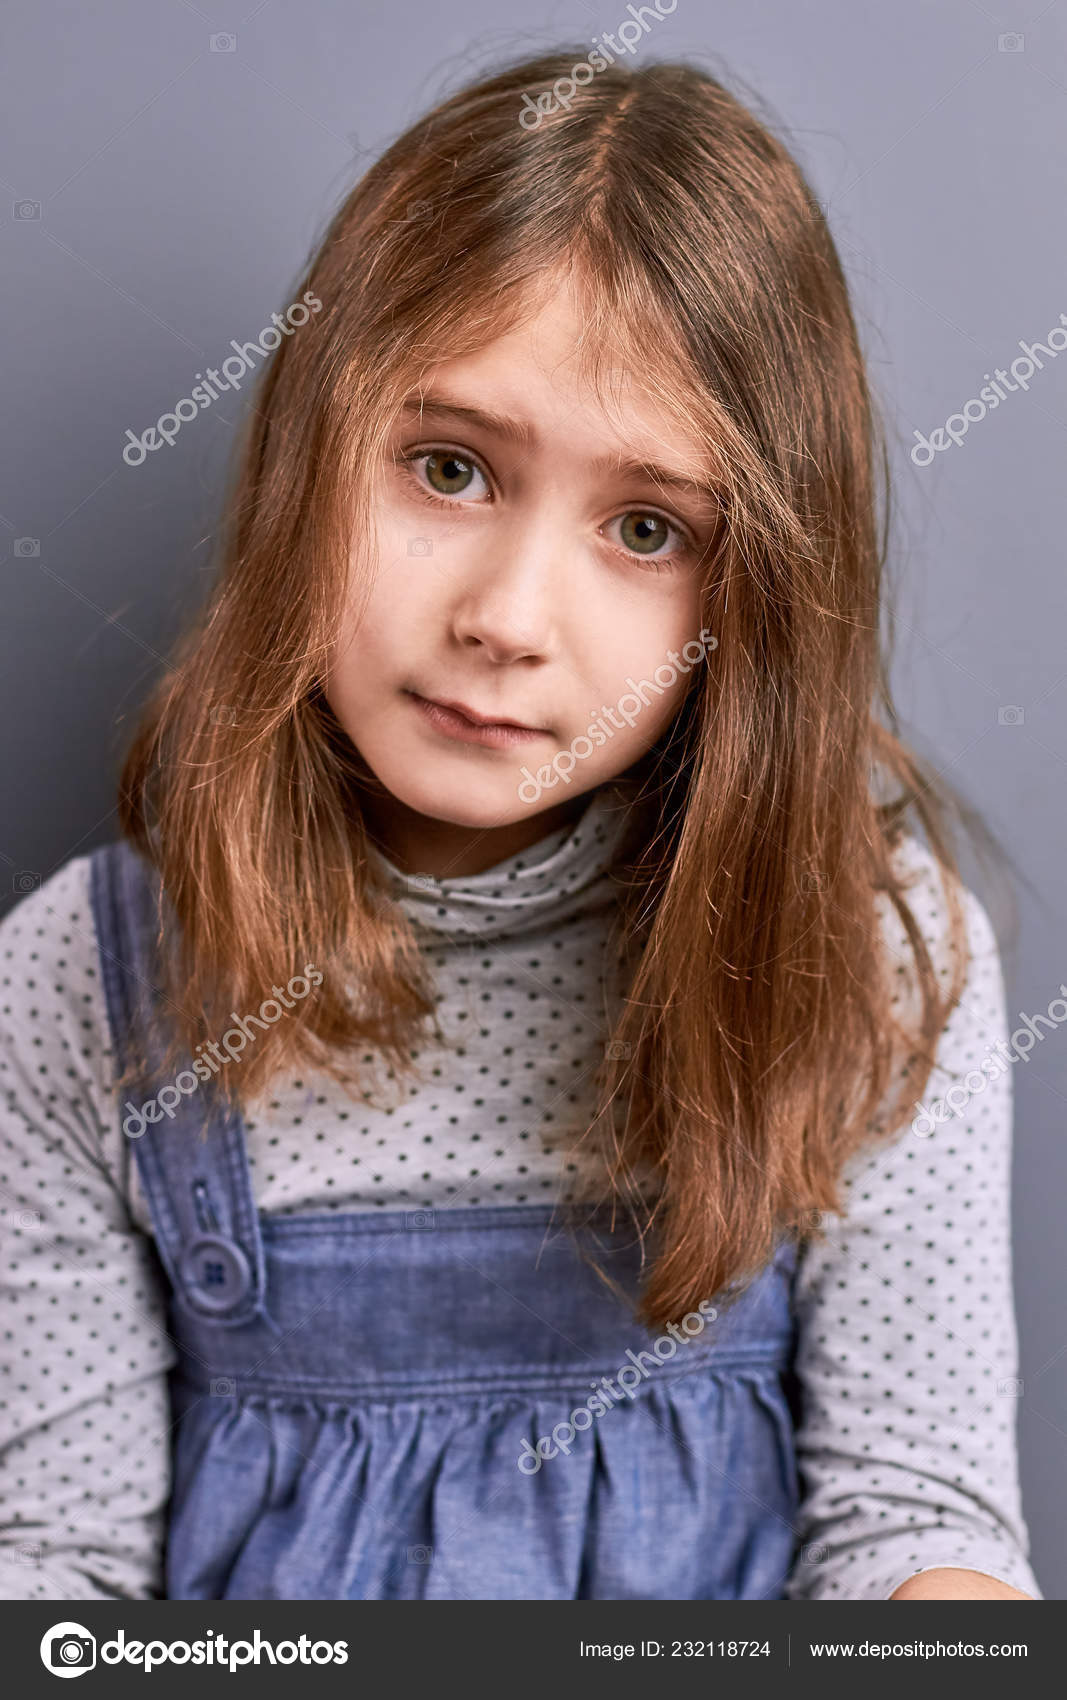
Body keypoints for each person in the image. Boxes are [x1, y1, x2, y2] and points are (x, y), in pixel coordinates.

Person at [0, 49, 1040, 1601]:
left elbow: (920, 1533)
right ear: (303, 456)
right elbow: (56, 1580)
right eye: (449, 468)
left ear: (751, 592)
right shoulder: (84, 982)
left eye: (644, 530)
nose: (506, 618)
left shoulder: (865, 959)